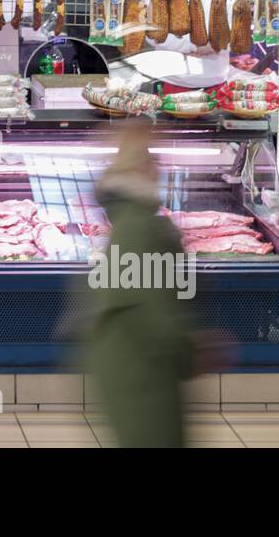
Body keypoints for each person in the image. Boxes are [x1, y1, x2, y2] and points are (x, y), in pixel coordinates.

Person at [82, 119, 195, 447]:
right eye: (153, 161)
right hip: (142, 373)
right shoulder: (140, 226)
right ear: (141, 167)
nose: (159, 170)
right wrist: (189, 354)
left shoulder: (127, 219)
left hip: (127, 366)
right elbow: (155, 308)